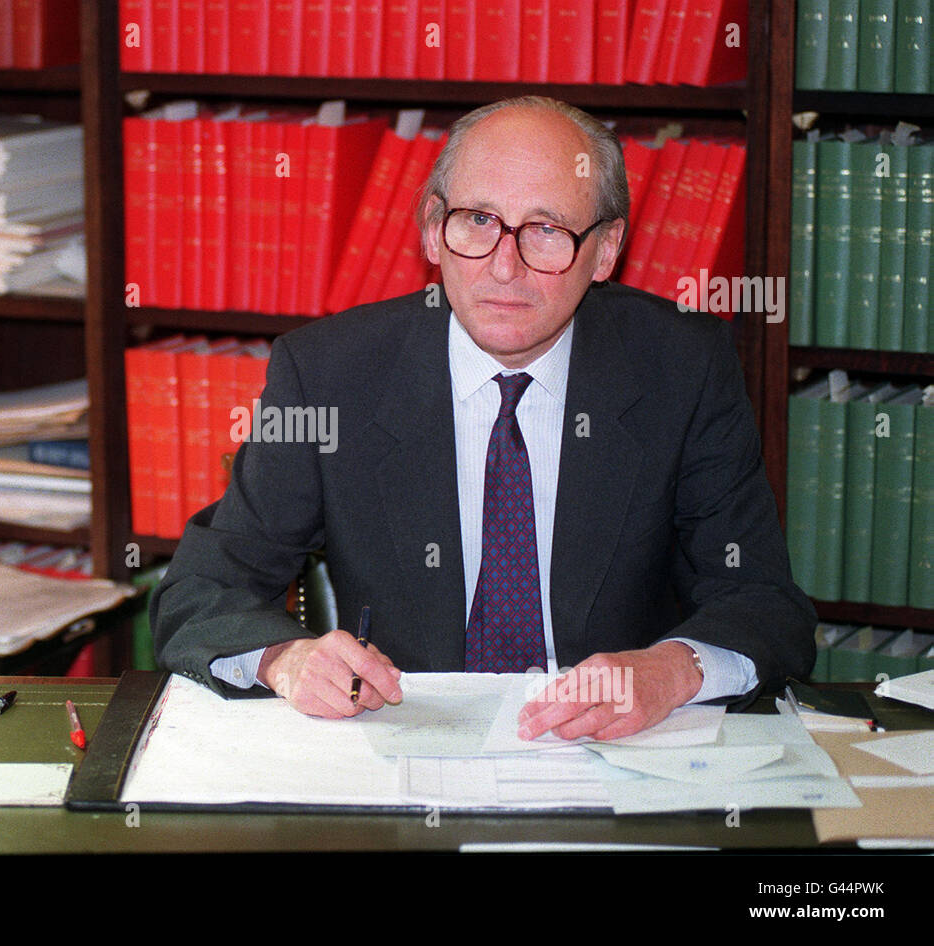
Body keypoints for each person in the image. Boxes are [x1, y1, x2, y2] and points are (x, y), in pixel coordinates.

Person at [150, 96, 816, 741]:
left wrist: (674, 670)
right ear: (433, 229)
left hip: (607, 760)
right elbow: (203, 589)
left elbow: (763, 603)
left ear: (607, 250)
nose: (505, 267)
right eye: (477, 221)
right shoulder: (329, 374)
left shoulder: (682, 367)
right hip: (403, 749)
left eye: (547, 230)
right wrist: (283, 659)